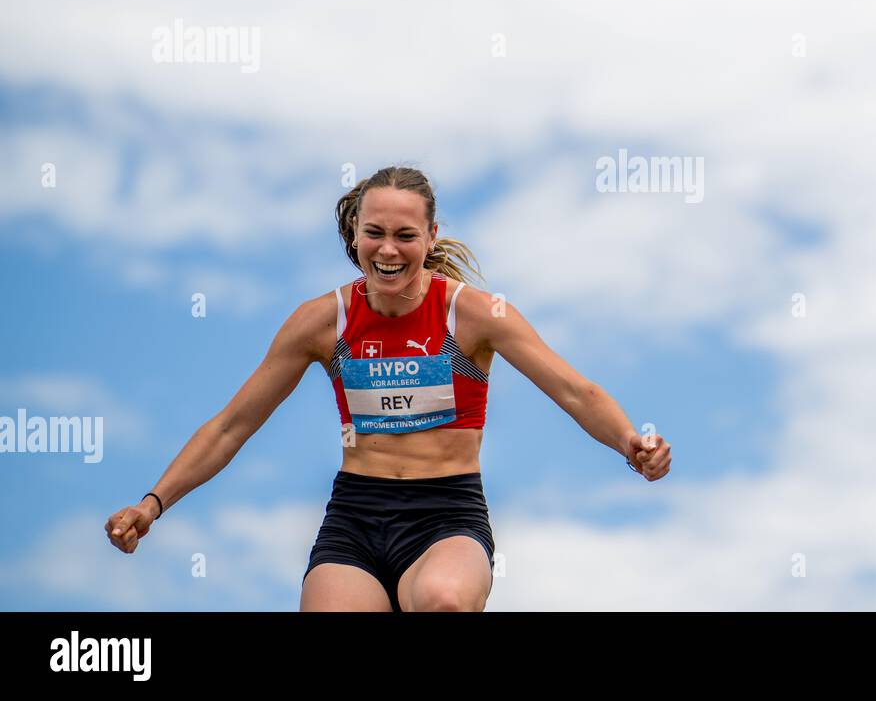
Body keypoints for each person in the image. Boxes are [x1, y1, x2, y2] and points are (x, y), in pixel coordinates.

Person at [104, 165, 671, 611]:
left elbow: (575, 391)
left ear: (431, 236)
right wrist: (154, 504)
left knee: (443, 601)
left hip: (447, 512)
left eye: (405, 235)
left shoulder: (475, 316)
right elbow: (231, 427)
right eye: (375, 233)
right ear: (356, 234)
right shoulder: (321, 322)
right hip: (356, 516)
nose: (388, 250)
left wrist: (630, 441)